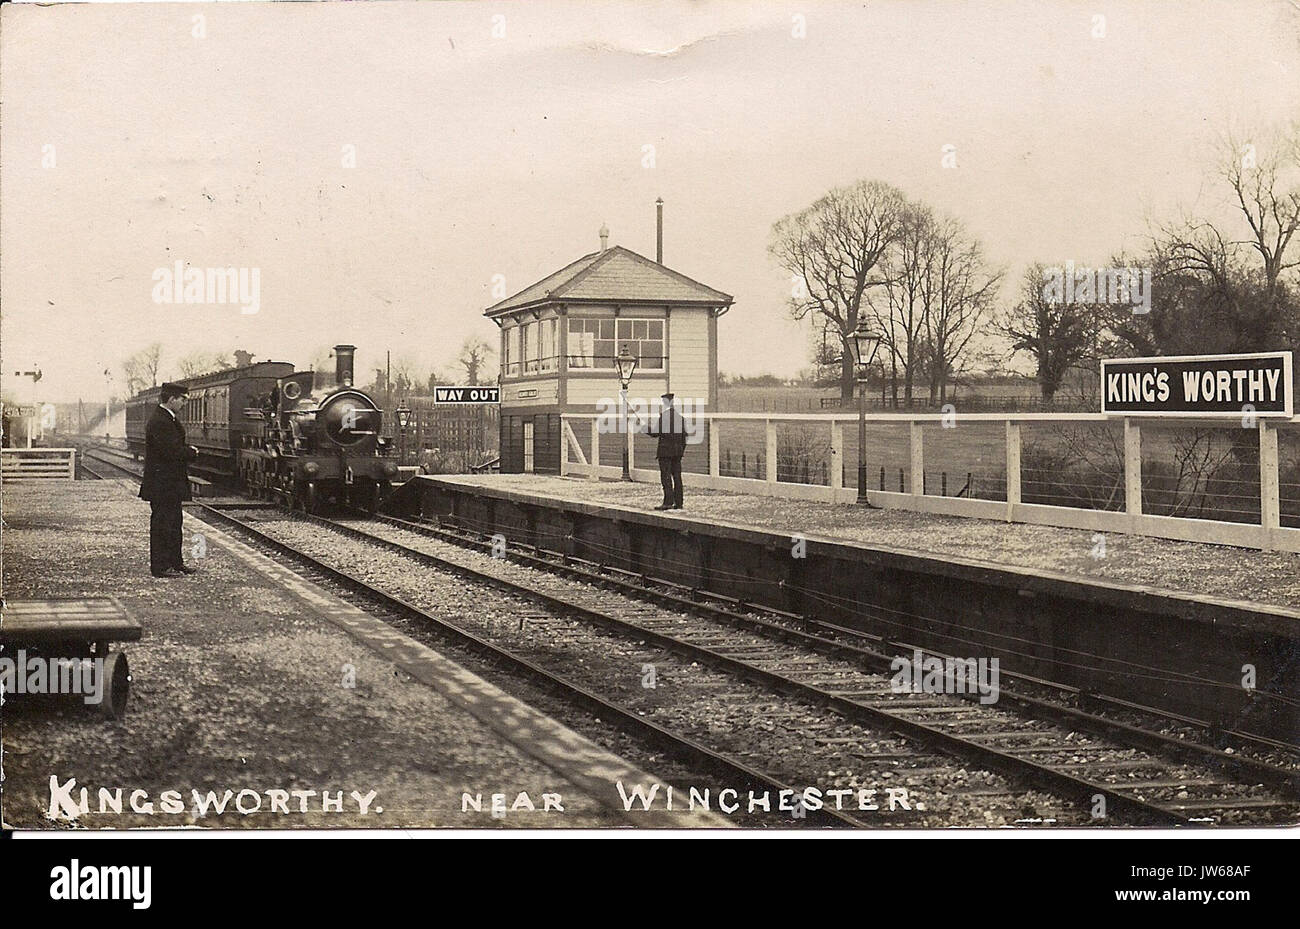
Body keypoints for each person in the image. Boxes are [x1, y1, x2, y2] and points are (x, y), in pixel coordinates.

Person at [138, 382, 199, 577]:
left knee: (174, 523)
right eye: (182, 400)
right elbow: (170, 451)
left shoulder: (167, 419)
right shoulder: (160, 421)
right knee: (163, 524)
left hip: (169, 483)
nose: (184, 404)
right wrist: (191, 452)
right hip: (162, 484)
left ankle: (175, 562)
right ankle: (161, 567)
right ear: (172, 399)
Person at [646, 391, 686, 510]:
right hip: (677, 452)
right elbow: (685, 437)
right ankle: (679, 503)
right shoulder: (681, 418)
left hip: (665, 452)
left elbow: (655, 433)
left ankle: (668, 502)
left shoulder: (664, 417)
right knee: (677, 477)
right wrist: (681, 450)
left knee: (666, 477)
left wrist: (642, 426)